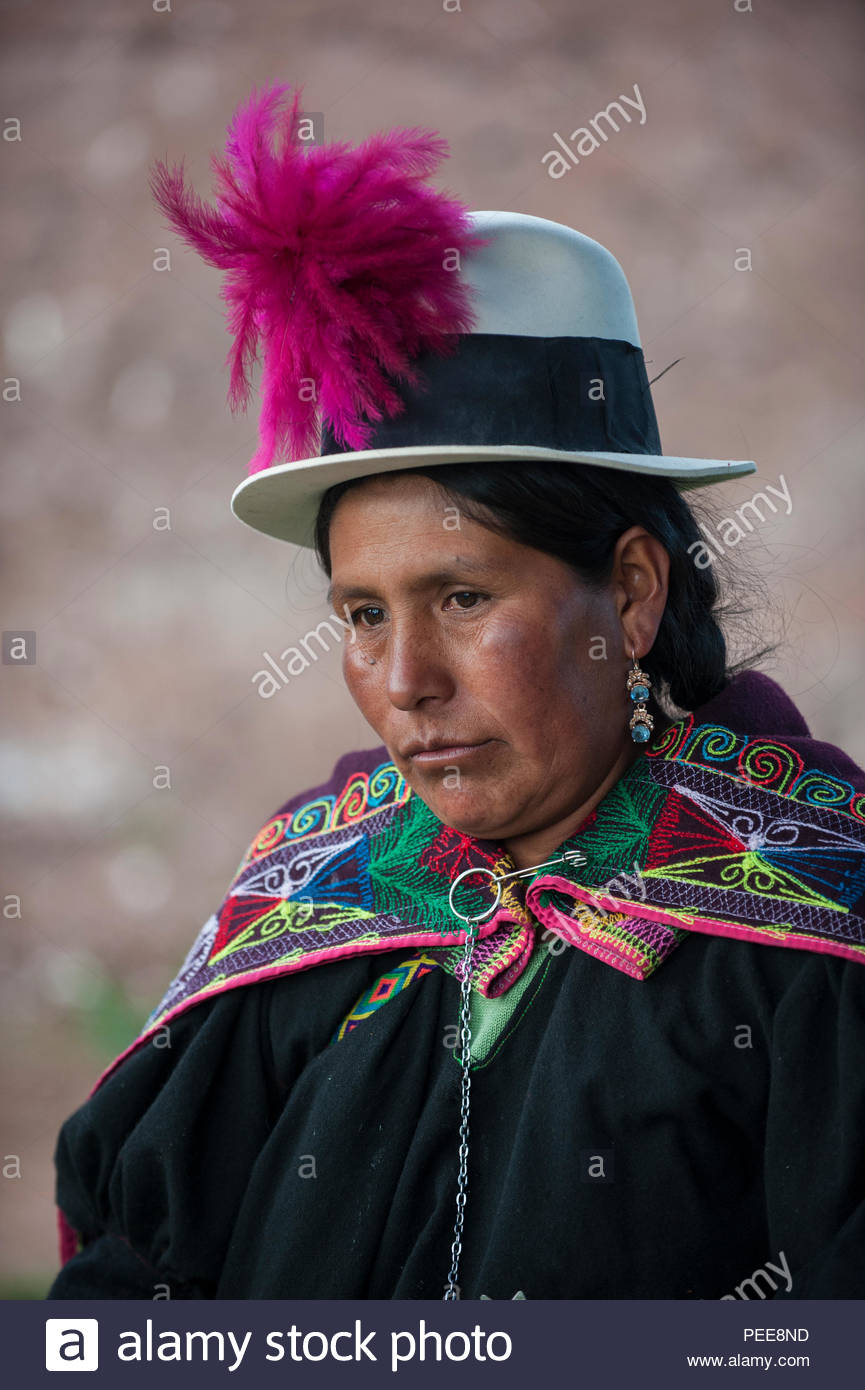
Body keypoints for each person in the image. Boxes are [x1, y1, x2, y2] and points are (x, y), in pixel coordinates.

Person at [46, 83, 865, 1301]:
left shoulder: (808, 924)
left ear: (631, 596)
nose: (405, 682)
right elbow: (128, 1291)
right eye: (364, 615)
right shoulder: (310, 903)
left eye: (465, 598)